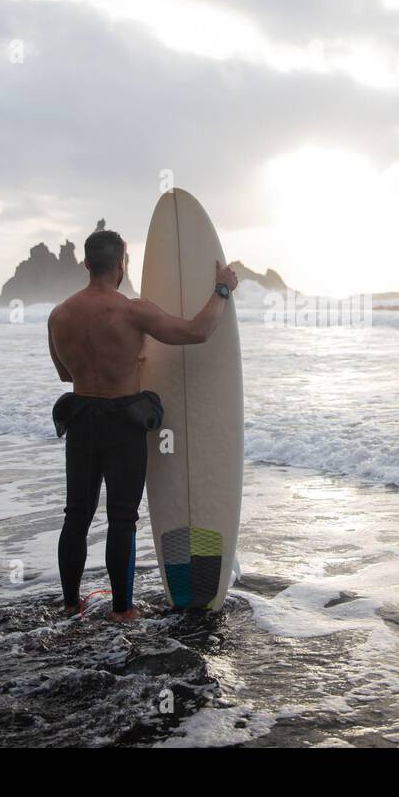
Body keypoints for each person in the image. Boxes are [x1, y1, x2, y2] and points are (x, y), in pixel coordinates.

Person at [47, 228, 238, 620]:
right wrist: (221, 289)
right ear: (121, 264)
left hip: (81, 421)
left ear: (86, 263)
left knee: (76, 515)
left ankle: (69, 604)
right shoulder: (133, 311)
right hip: (122, 425)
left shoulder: (58, 315)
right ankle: (122, 610)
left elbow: (65, 375)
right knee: (122, 517)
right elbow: (197, 332)